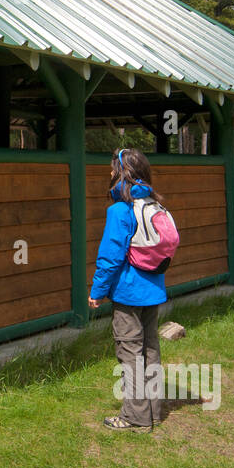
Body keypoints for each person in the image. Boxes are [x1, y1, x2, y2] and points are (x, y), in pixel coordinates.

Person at [89, 148, 167, 430]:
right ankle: (153, 411)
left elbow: (111, 257)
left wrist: (97, 291)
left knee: (129, 351)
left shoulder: (120, 210)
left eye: (112, 170)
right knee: (150, 348)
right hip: (153, 290)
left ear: (121, 174)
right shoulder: (154, 205)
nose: (109, 174)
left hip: (128, 292)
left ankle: (134, 417)